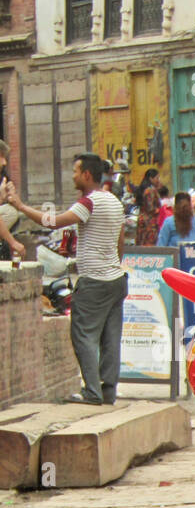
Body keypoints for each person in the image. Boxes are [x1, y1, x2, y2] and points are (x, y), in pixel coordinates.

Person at [5, 153, 126, 406]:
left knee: (83, 334)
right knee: (110, 338)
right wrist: (111, 263)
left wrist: (20, 206)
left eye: (75, 171)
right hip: (116, 279)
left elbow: (52, 222)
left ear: (87, 175)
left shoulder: (88, 202)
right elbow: (119, 241)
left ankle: (91, 391)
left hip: (94, 281)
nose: (72, 176)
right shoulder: (114, 201)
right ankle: (108, 391)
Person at [0, 139, 26, 261]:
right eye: (1, 157)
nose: (4, 162)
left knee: (10, 210)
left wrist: (10, 197)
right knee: (10, 213)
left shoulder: (3, 175)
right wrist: (13, 242)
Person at [134, 182, 162, 246]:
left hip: (143, 220)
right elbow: (150, 208)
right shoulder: (150, 191)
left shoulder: (142, 215)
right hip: (149, 223)